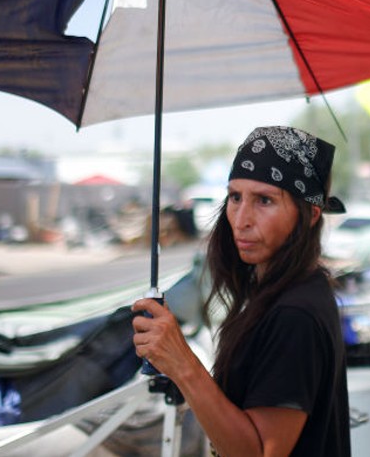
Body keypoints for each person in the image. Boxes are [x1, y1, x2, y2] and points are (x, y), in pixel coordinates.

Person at [132, 126, 350, 457]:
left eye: (264, 200)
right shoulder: (276, 294)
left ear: (310, 215)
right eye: (235, 197)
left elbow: (259, 452)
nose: (241, 219)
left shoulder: (295, 315)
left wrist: (182, 363)